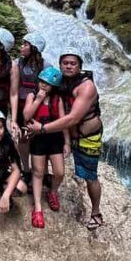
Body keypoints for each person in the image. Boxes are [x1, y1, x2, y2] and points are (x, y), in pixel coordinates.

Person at [27, 48, 104, 230]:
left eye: (73, 63)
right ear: (60, 65)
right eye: (65, 63)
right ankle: (47, 193)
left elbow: (73, 118)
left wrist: (43, 128)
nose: (68, 66)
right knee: (46, 167)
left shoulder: (86, 87)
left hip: (87, 137)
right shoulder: (60, 82)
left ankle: (96, 213)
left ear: (79, 66)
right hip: (64, 134)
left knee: (90, 176)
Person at [23, 67, 70, 229]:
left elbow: (64, 122)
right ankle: (37, 208)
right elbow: (26, 116)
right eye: (42, 82)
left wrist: (67, 142)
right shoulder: (31, 95)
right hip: (38, 140)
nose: (44, 85)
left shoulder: (58, 100)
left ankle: (52, 191)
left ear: (54, 86)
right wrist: (37, 100)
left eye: (48, 84)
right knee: (37, 172)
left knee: (59, 172)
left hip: (55, 139)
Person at [10, 32, 47, 182]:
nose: (21, 47)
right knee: (23, 138)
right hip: (20, 105)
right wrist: (12, 118)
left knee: (38, 138)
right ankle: (26, 169)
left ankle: (40, 172)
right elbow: (13, 90)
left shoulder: (45, 65)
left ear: (34, 48)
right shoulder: (17, 63)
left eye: (25, 44)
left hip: (37, 106)